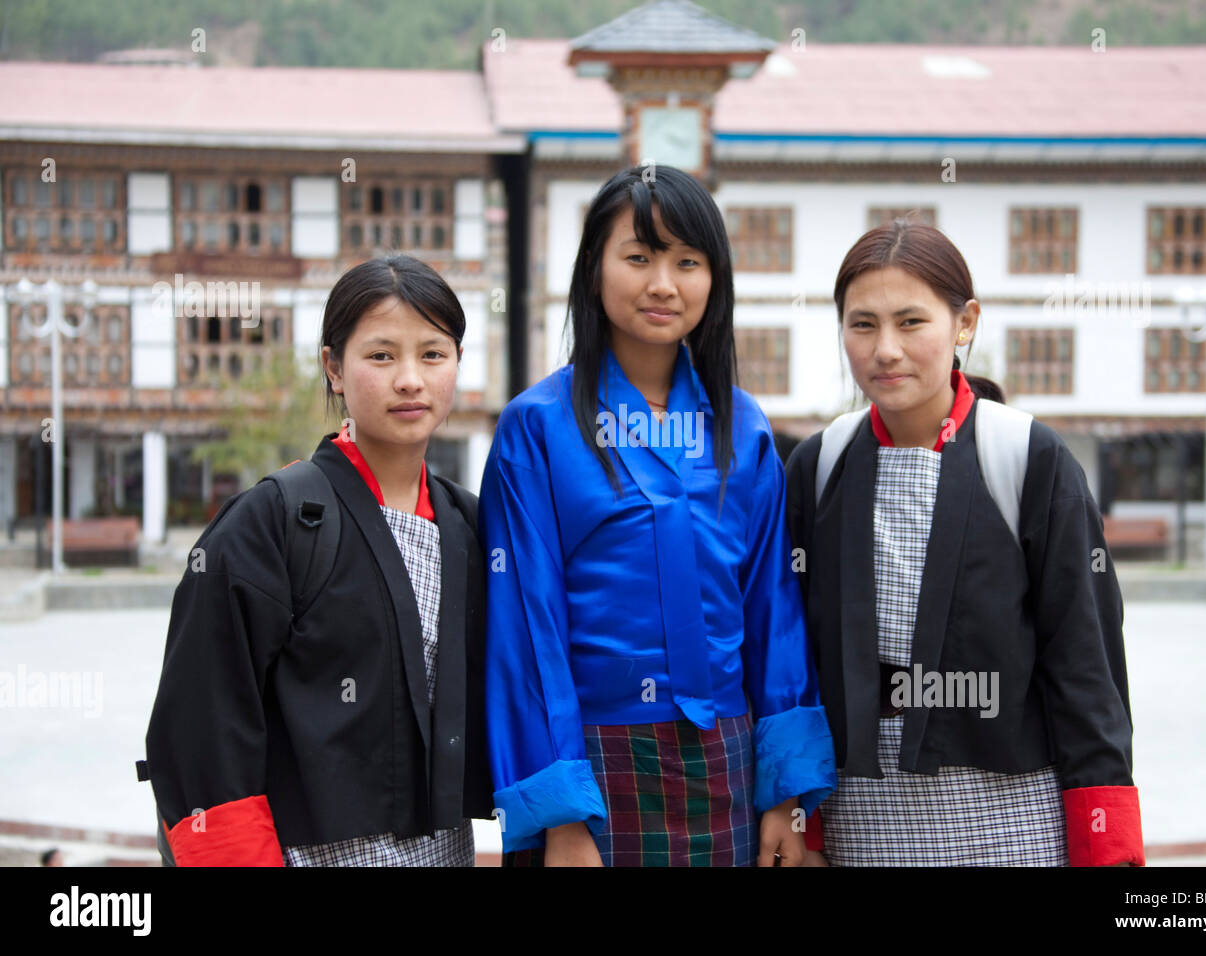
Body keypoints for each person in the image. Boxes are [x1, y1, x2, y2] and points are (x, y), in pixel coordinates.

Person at [480, 164, 836, 867]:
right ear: (593, 269)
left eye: (687, 261)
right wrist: (561, 817)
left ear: (715, 278)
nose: (663, 283)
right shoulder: (537, 429)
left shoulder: (745, 427)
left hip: (727, 756)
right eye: (638, 257)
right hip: (596, 761)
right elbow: (527, 630)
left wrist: (784, 797)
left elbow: (774, 613)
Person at [785, 221, 1145, 866]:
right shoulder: (819, 467)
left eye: (910, 322)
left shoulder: (1029, 459)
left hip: (1010, 828)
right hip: (858, 830)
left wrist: (1106, 843)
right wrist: (798, 820)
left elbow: (1085, 665)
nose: (885, 350)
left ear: (964, 323)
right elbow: (795, 661)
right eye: (862, 324)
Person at [145, 255, 492, 866]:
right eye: (381, 356)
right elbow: (202, 731)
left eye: (433, 354)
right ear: (334, 368)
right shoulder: (272, 523)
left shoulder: (468, 527)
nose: (410, 379)